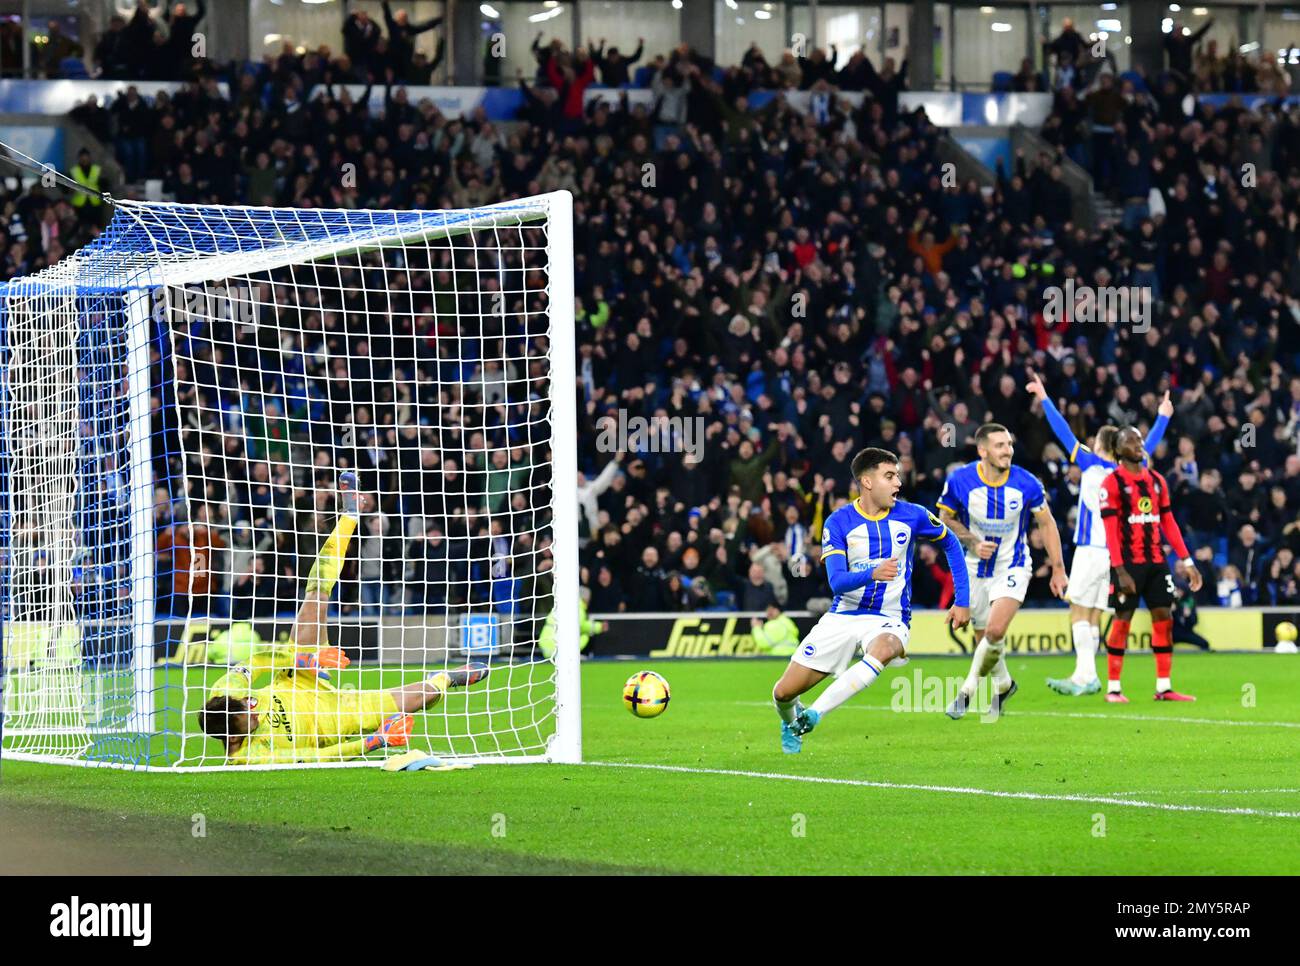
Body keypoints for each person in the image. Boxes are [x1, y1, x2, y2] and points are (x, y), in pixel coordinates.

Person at [197, 473, 489, 763]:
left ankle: (349, 515)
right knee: (418, 698)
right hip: (334, 716)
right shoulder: (253, 757)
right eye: (249, 716)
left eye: (248, 705)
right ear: (234, 737)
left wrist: (304, 662)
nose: (255, 710)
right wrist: (375, 741)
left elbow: (257, 662)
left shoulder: (223, 694)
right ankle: (447, 677)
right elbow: (318, 756)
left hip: (296, 680)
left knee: (315, 597)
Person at [771, 447, 970, 754]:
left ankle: (815, 713)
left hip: (890, 617)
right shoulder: (838, 522)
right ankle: (791, 719)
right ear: (866, 482)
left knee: (887, 647)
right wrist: (873, 573)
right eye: (889, 476)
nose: (897, 484)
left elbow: (951, 544)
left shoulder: (912, 515)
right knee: (783, 693)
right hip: (844, 615)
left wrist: (963, 600)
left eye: (898, 476)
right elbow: (836, 582)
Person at [1026, 371, 1172, 696]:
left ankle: (1086, 676)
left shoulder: (1092, 464)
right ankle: (1085, 675)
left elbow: (1062, 432)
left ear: (1101, 445)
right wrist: (1162, 418)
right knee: (1092, 613)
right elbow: (1147, 446)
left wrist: (1044, 397)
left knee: (1078, 609)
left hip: (1092, 549)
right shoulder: (1128, 473)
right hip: (1117, 554)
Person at [937, 423, 1069, 720]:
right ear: (982, 450)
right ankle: (1005, 684)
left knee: (995, 630)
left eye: (1008, 444)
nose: (1007, 450)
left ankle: (966, 692)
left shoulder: (1027, 482)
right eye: (999, 445)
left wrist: (1058, 570)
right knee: (986, 637)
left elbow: (1046, 524)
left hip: (1013, 564)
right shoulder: (960, 480)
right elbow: (945, 518)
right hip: (974, 567)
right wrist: (972, 542)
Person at [1099, 427, 1203, 702]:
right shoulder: (1111, 484)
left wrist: (1186, 560)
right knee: (1123, 621)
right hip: (1127, 564)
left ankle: (1164, 687)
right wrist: (1120, 570)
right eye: (1130, 440)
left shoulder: (1156, 481)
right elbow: (1110, 531)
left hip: (1157, 562)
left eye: (1140, 439)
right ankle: (1113, 689)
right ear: (1118, 449)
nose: (1138, 443)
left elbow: (1168, 522)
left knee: (1164, 619)